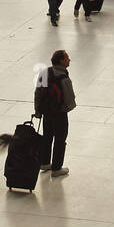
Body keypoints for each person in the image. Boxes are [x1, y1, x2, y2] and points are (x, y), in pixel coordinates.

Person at [34, 49, 74, 178]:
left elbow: (38, 93)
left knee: (47, 137)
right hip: (60, 113)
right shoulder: (63, 76)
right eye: (67, 58)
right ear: (61, 61)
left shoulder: (45, 73)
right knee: (60, 140)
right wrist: (66, 109)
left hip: (46, 112)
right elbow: (69, 97)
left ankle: (45, 163)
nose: (69, 60)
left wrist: (38, 110)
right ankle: (57, 168)